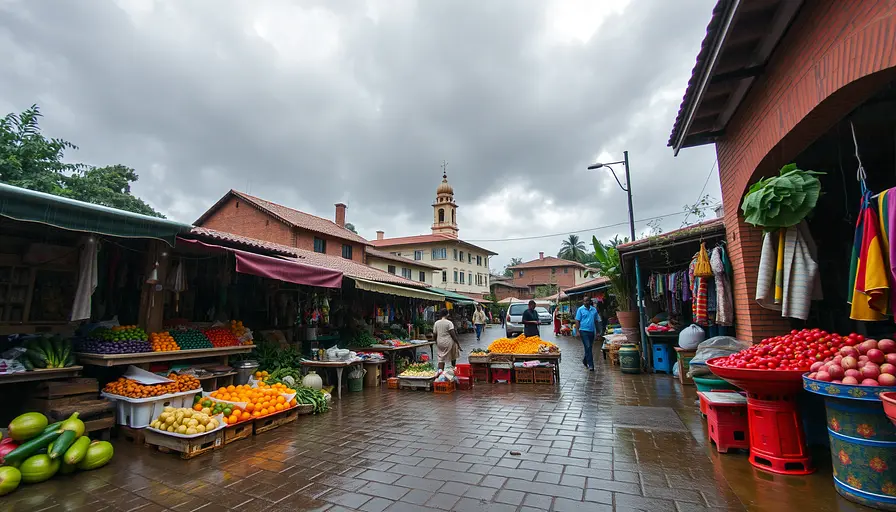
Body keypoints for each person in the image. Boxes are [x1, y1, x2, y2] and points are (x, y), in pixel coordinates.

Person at [575, 297, 602, 371]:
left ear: (590, 302)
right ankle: (591, 365)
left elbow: (596, 321)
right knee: (588, 346)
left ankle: (585, 360)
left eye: (587, 301)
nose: (586, 302)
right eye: (584, 301)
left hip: (592, 331)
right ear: (583, 302)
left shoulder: (594, 310)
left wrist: (598, 331)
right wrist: (577, 331)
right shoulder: (580, 310)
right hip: (583, 331)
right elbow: (577, 320)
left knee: (589, 347)